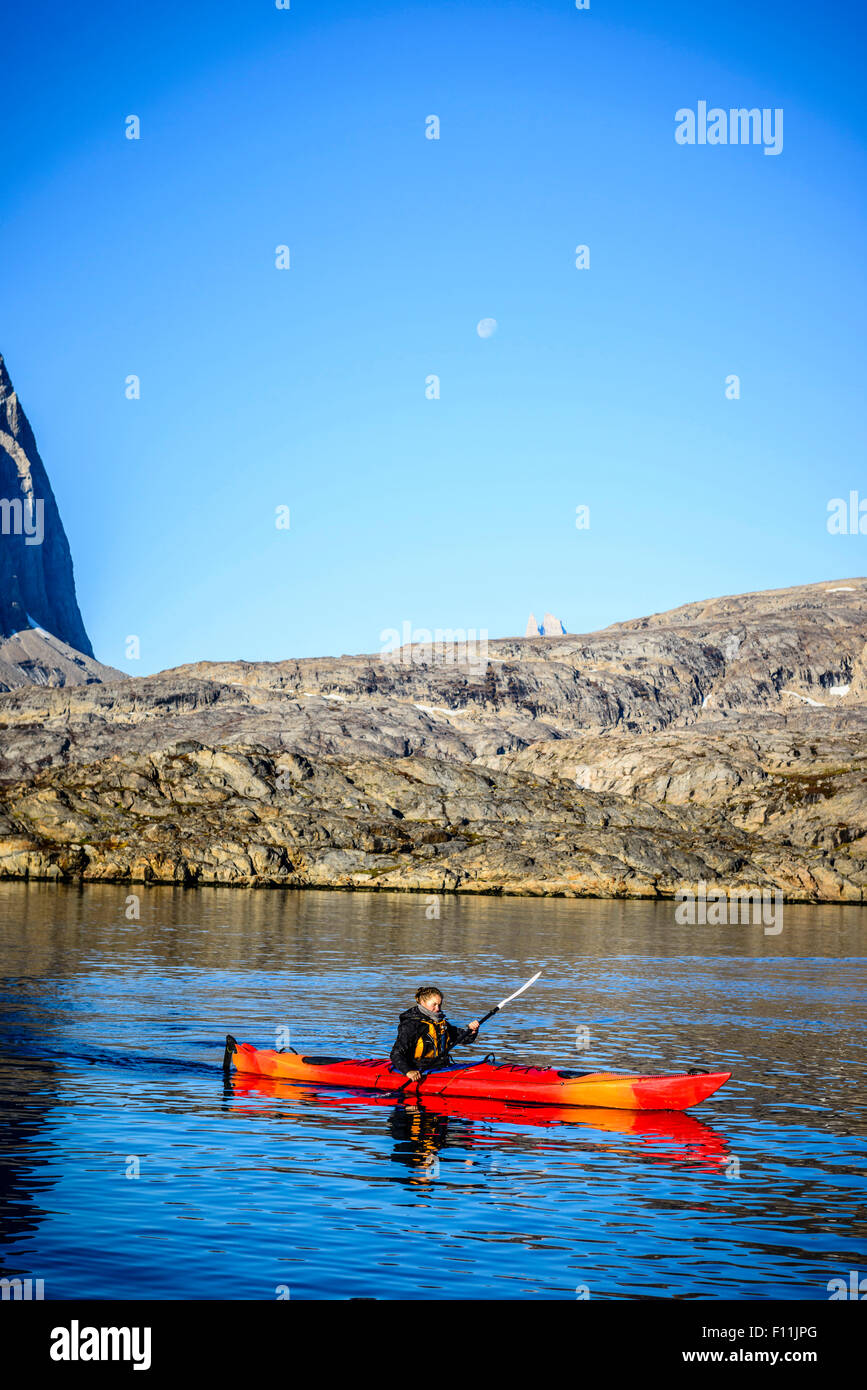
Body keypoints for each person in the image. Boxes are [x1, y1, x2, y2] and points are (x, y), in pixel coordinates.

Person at [390, 986, 480, 1081]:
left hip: (443, 1068)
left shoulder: (440, 1023)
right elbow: (396, 1054)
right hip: (420, 1069)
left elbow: (465, 1038)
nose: (437, 1009)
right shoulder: (411, 1025)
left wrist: (471, 1031)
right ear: (422, 1002)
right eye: (434, 1004)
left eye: (439, 1005)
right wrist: (408, 1071)